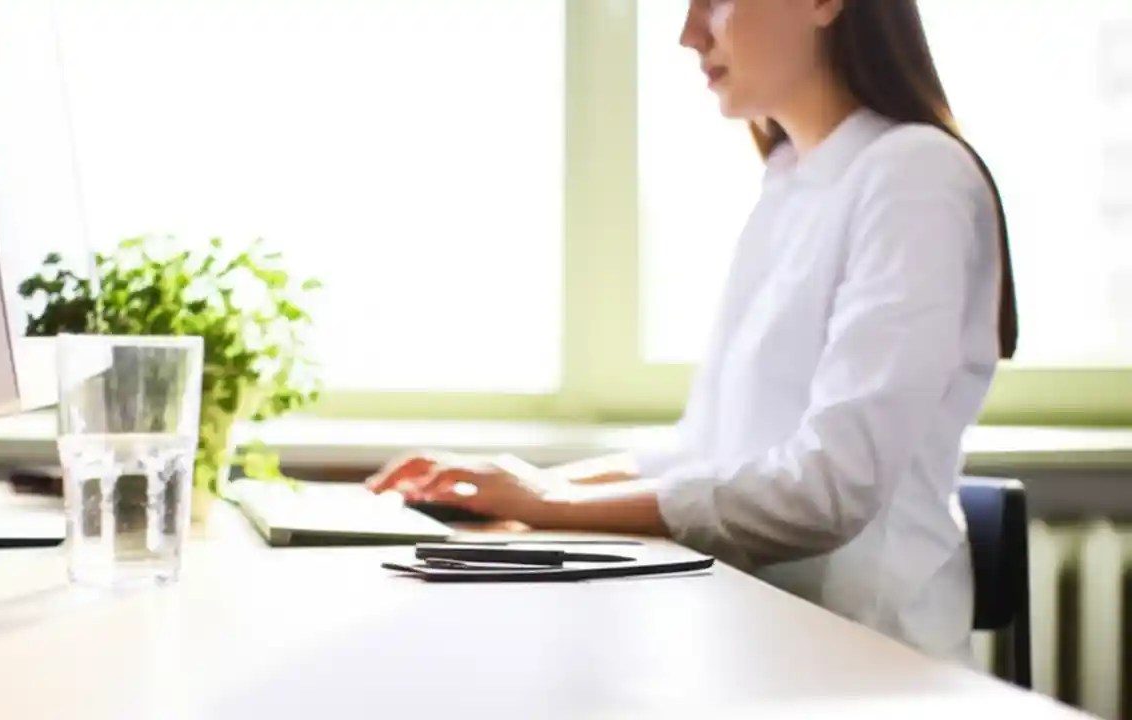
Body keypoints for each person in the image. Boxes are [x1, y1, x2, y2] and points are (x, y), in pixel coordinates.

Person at [368, 0, 1017, 663]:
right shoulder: (790, 179)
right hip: (758, 639)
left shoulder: (914, 173)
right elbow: (708, 451)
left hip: (869, 663)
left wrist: (547, 502)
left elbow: (827, 489)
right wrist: (522, 486)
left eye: (715, 0)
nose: (688, 34)